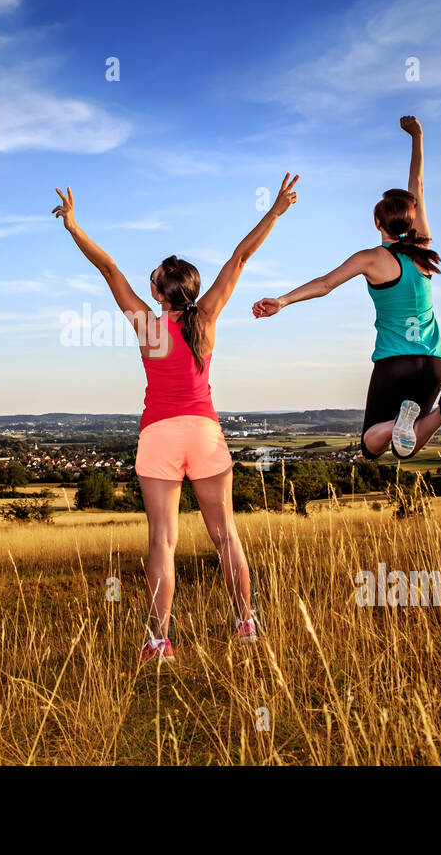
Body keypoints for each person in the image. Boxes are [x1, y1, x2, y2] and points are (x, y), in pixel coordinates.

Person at [52, 175, 299, 661]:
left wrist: (74, 227)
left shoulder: (147, 324)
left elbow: (108, 268)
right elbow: (240, 257)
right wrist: (275, 211)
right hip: (204, 433)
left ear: (158, 292)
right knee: (225, 534)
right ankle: (246, 622)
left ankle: (159, 640)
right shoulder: (206, 316)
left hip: (159, 436)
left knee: (162, 539)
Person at [252, 117, 441, 459]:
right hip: (435, 361)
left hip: (395, 362)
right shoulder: (423, 250)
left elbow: (325, 284)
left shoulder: (371, 258)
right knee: (406, 447)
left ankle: (399, 421)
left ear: (377, 222)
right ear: (411, 221)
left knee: (372, 446)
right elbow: (417, 185)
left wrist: (284, 301)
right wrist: (417, 137)